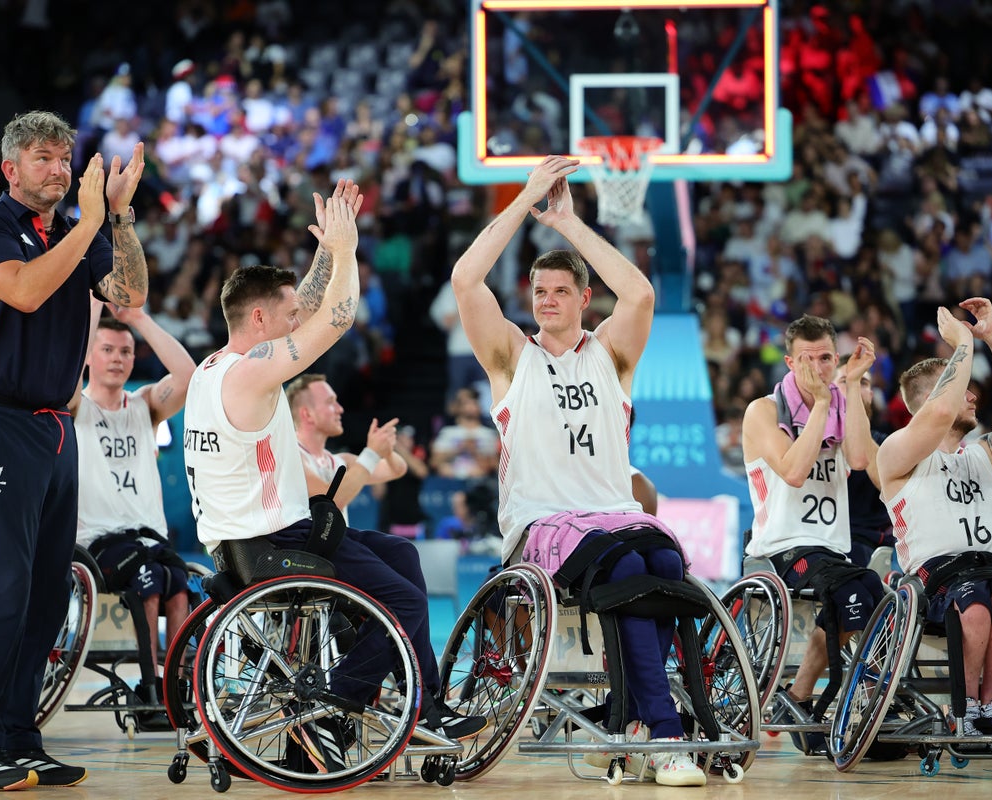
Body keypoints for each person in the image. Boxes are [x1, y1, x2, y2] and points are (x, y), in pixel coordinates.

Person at [182, 181, 485, 755]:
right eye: (288, 315)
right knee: (407, 603)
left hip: (245, 535)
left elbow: (314, 306)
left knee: (401, 554)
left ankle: (425, 701)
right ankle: (343, 697)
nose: (298, 321)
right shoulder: (251, 372)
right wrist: (347, 250)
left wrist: (326, 252)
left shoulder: (214, 367)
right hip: (268, 541)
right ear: (257, 317)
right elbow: (338, 317)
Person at [451, 155, 704, 786]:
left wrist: (567, 222)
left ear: (585, 299)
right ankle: (666, 736)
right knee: (625, 571)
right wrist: (527, 199)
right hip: (544, 526)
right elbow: (465, 278)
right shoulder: (511, 357)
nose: (548, 300)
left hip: (615, 517)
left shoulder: (611, 354)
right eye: (539, 292)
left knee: (665, 567)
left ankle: (632, 721)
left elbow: (641, 292)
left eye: (562, 290)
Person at [0, 110, 147, 790]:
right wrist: (90, 223)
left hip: (57, 425)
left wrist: (117, 216)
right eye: (43, 158)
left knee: (47, 593)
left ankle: (18, 735)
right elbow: (24, 293)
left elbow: (130, 295)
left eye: (65, 158)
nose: (59, 169)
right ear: (11, 168)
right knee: (3, 587)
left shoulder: (74, 230)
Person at [879, 298, 992, 746]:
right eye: (961, 387)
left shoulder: (985, 453)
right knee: (974, 608)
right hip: (938, 578)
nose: (972, 394)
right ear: (929, 400)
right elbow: (936, 416)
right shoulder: (897, 454)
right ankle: (965, 707)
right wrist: (962, 344)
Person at [741, 314, 885, 755]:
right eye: (807, 359)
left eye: (826, 358)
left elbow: (860, 459)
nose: (818, 368)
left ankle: (804, 700)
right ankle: (829, 703)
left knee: (871, 590)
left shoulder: (842, 401)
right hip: (780, 549)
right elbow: (794, 471)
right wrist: (823, 405)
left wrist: (852, 387)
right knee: (849, 590)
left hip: (831, 548)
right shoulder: (764, 410)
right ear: (789, 362)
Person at [72, 304, 195, 718]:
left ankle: (174, 690)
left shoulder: (143, 405)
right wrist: (88, 311)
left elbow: (188, 377)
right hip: (97, 546)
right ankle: (148, 692)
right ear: (88, 355)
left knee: (178, 585)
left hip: (149, 541)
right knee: (151, 579)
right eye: (107, 349)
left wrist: (140, 319)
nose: (118, 359)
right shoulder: (75, 408)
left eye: (125, 352)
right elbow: (67, 385)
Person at [286, 373, 407, 524]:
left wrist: (386, 451)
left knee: (399, 546)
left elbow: (397, 469)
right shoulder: (290, 456)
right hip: (302, 546)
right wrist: (372, 453)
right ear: (307, 414)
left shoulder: (341, 461)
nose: (340, 409)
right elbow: (330, 503)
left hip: (333, 545)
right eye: (331, 402)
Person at [832, 357, 893, 570]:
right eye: (846, 381)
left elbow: (889, 487)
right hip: (817, 540)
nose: (854, 387)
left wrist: (855, 424)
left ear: (871, 395)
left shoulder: (888, 445)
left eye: (862, 382)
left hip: (867, 545)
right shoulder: (811, 442)